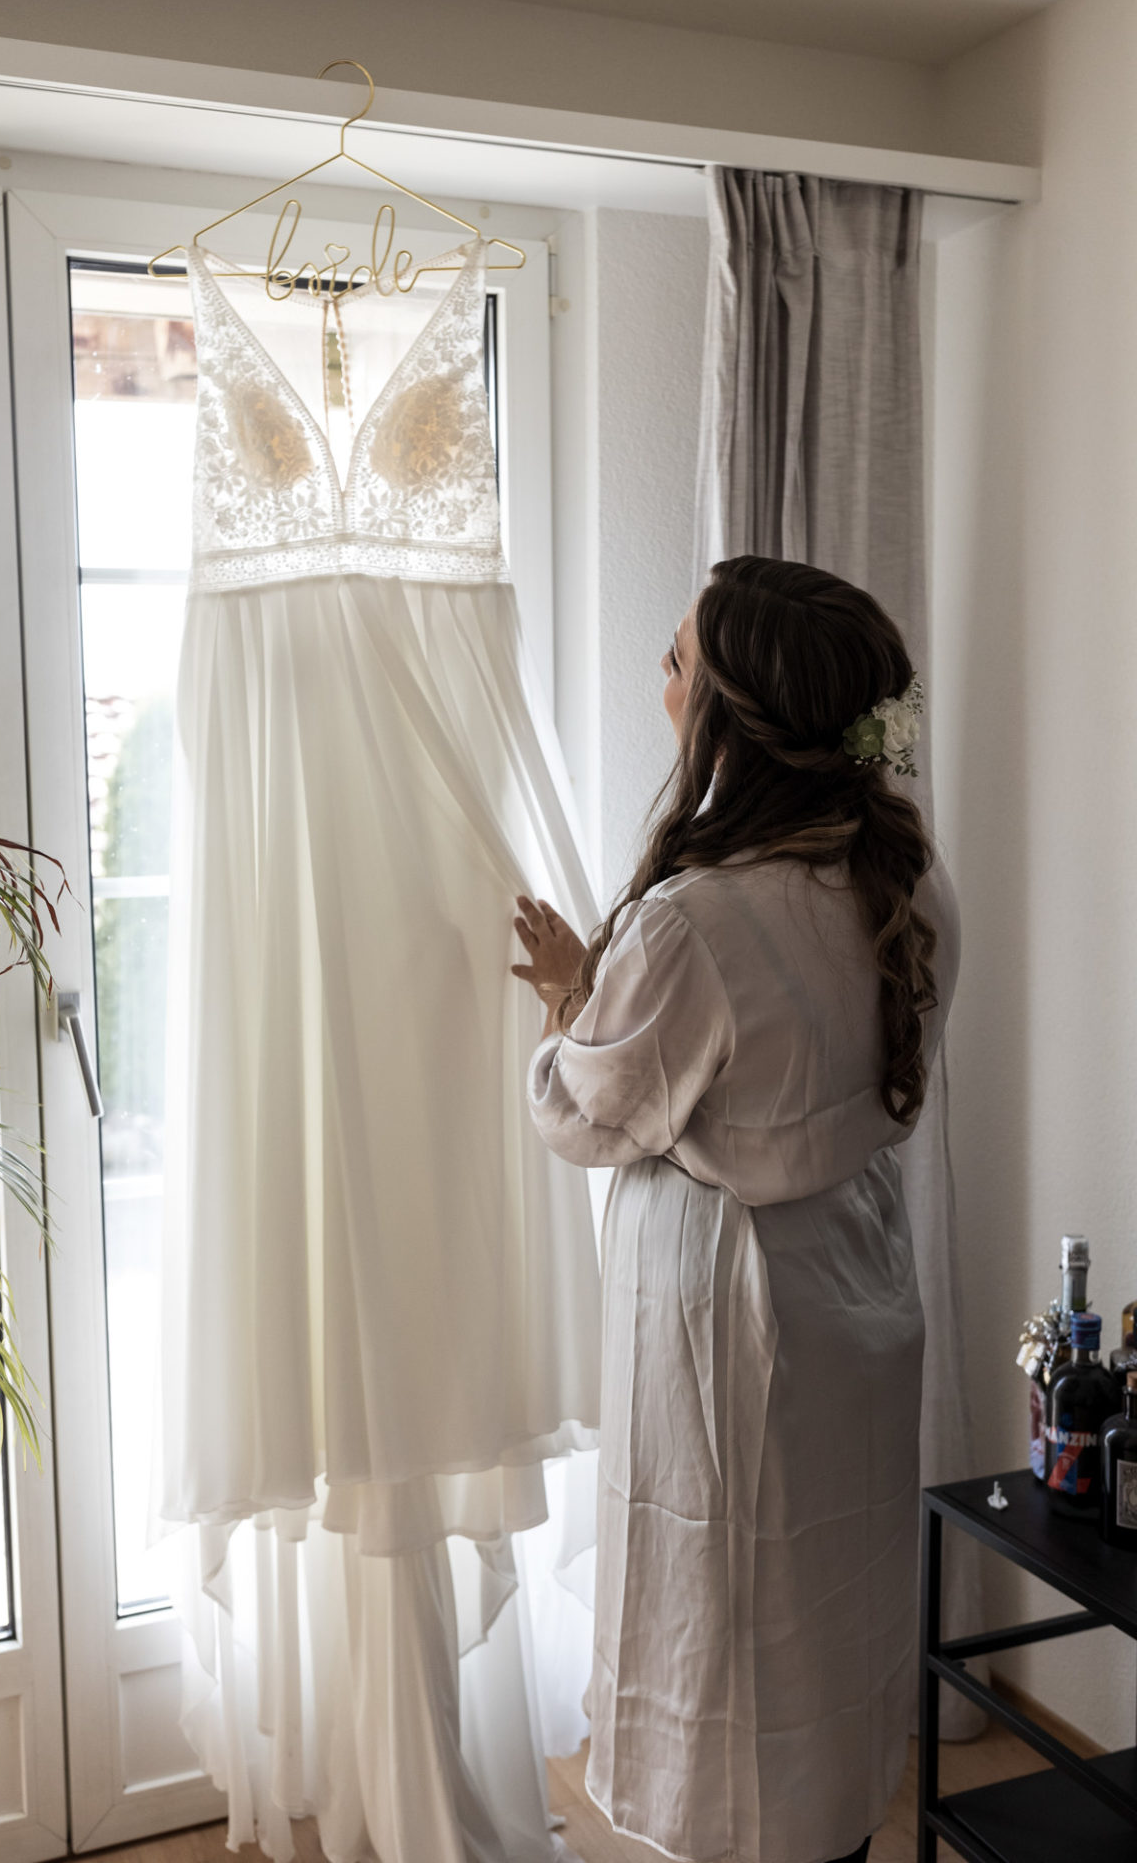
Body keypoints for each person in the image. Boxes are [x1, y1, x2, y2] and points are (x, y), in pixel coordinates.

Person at [514, 554, 959, 1863]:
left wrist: (568, 1004)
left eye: (677, 658)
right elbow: (800, 1068)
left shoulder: (692, 921)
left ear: (735, 715)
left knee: (729, 1622)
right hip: (857, 1277)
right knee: (825, 1608)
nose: (662, 673)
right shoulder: (906, 877)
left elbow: (582, 1114)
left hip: (729, 1306)